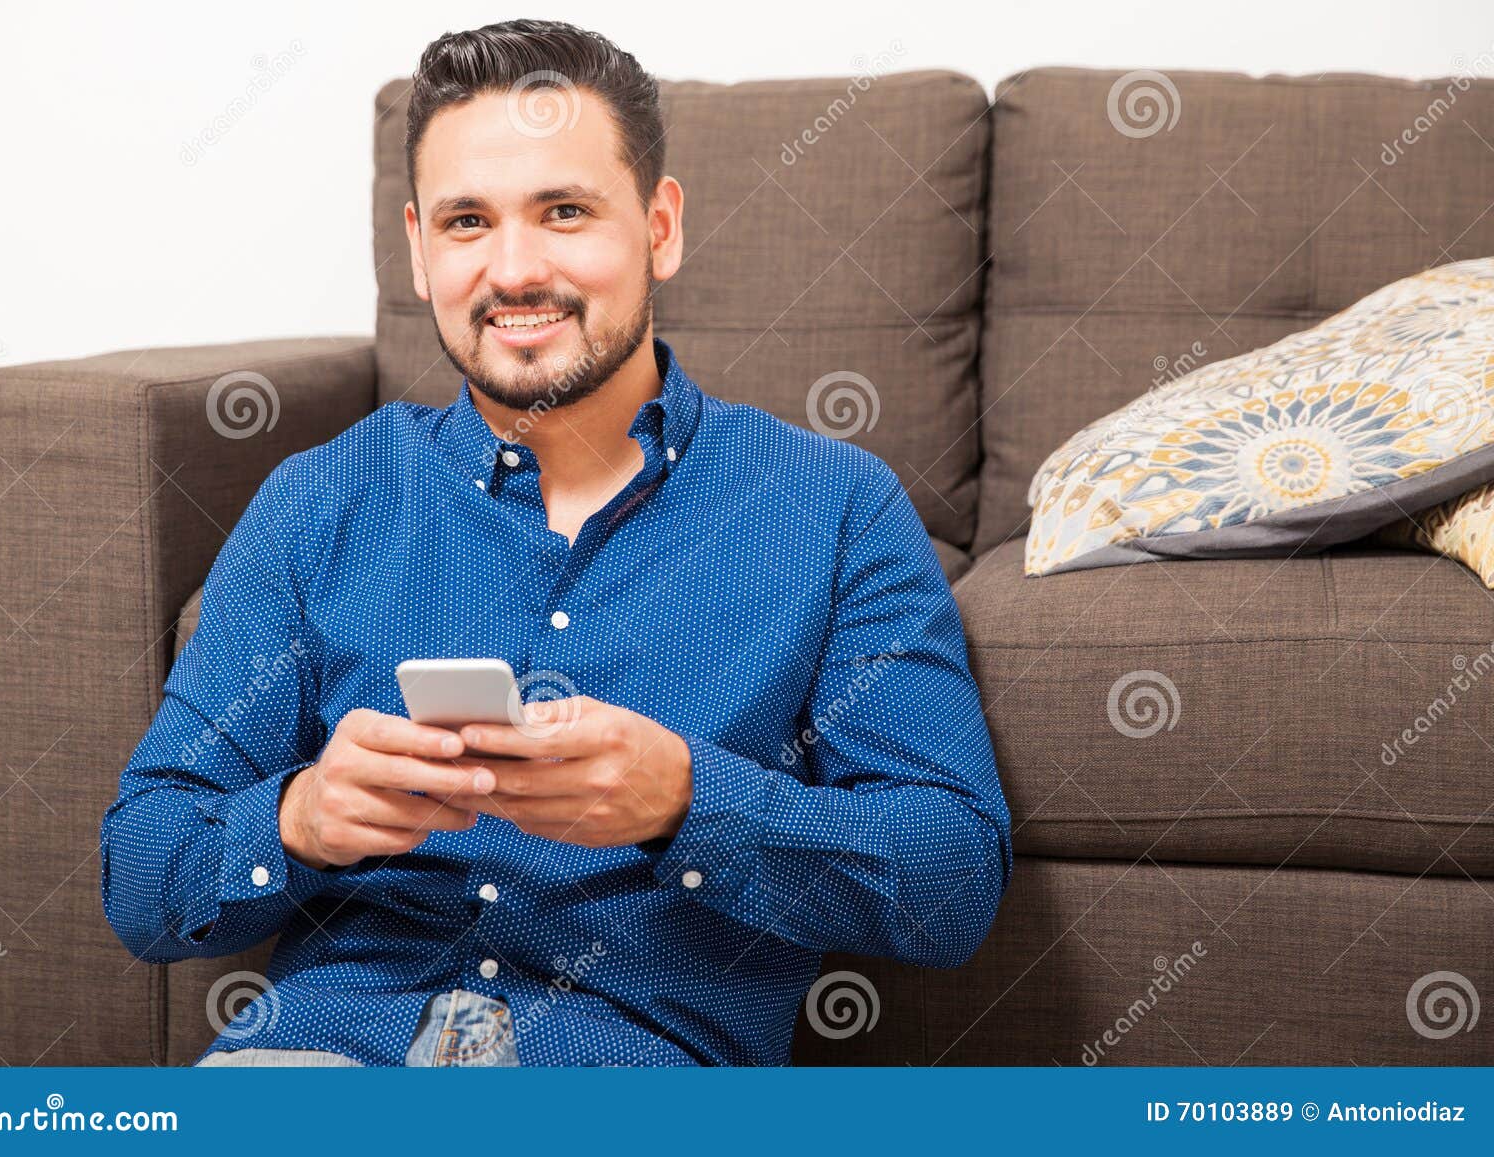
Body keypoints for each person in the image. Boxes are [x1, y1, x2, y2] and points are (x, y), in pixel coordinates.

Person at [100, 18, 1012, 1067]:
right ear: (417, 247)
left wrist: (686, 799)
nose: (515, 269)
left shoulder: (834, 507)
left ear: (659, 227)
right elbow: (141, 877)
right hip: (322, 1056)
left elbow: (950, 882)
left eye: (565, 211)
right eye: (466, 222)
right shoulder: (319, 502)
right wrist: (298, 816)